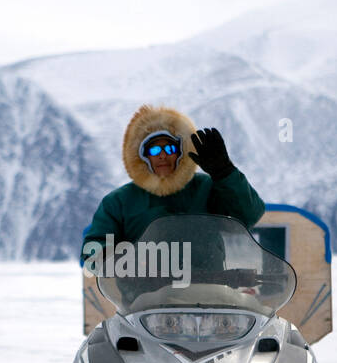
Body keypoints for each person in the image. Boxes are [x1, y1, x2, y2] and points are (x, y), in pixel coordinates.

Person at [80, 104, 266, 269]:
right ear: (142, 156)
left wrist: (225, 173)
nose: (162, 155)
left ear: (181, 153)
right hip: (144, 301)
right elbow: (92, 251)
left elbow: (249, 215)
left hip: (209, 294)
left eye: (170, 149)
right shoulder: (119, 201)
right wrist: (122, 260)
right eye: (154, 150)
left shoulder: (207, 188)